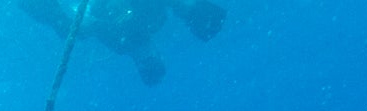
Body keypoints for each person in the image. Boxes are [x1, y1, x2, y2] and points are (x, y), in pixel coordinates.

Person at [18, 0, 225, 85]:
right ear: (159, 54)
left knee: (68, 27)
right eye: (152, 60)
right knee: (68, 27)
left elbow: (89, 23)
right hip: (108, 13)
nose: (146, 57)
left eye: (144, 64)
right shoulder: (153, 22)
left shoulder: (121, 42)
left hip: (100, 12)